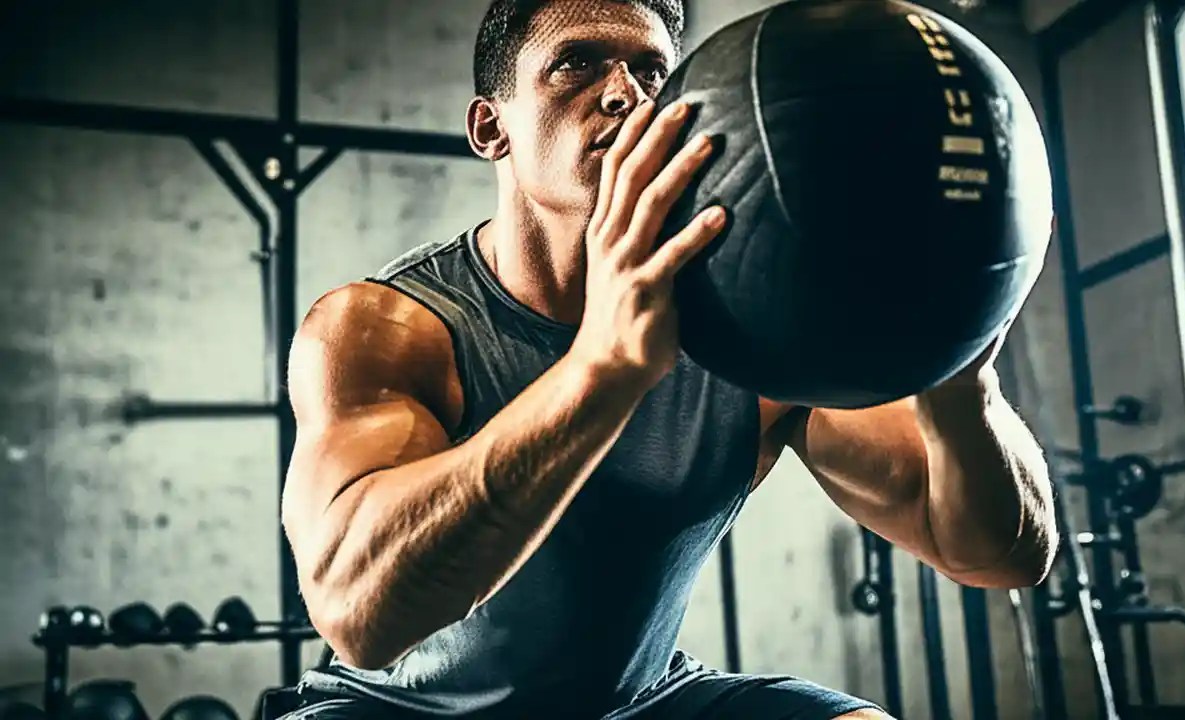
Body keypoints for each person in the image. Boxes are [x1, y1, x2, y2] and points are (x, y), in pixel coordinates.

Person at [277, 1, 1057, 718]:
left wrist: (960, 384)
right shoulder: (385, 327)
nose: (625, 93)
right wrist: (604, 367)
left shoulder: (747, 325)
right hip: (403, 713)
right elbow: (359, 614)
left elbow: (1000, 555)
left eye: (651, 71)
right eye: (575, 63)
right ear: (491, 128)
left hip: (642, 703)